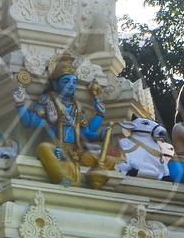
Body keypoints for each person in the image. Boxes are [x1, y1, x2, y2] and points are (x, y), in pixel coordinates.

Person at [11, 54, 111, 188]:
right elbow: (29, 123)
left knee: (109, 161)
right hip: (55, 148)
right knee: (43, 148)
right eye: (66, 81)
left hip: (76, 151)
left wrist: (100, 124)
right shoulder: (47, 101)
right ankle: (64, 179)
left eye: (74, 82)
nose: (71, 86)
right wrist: (20, 105)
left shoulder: (77, 106)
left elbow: (85, 133)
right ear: (55, 83)